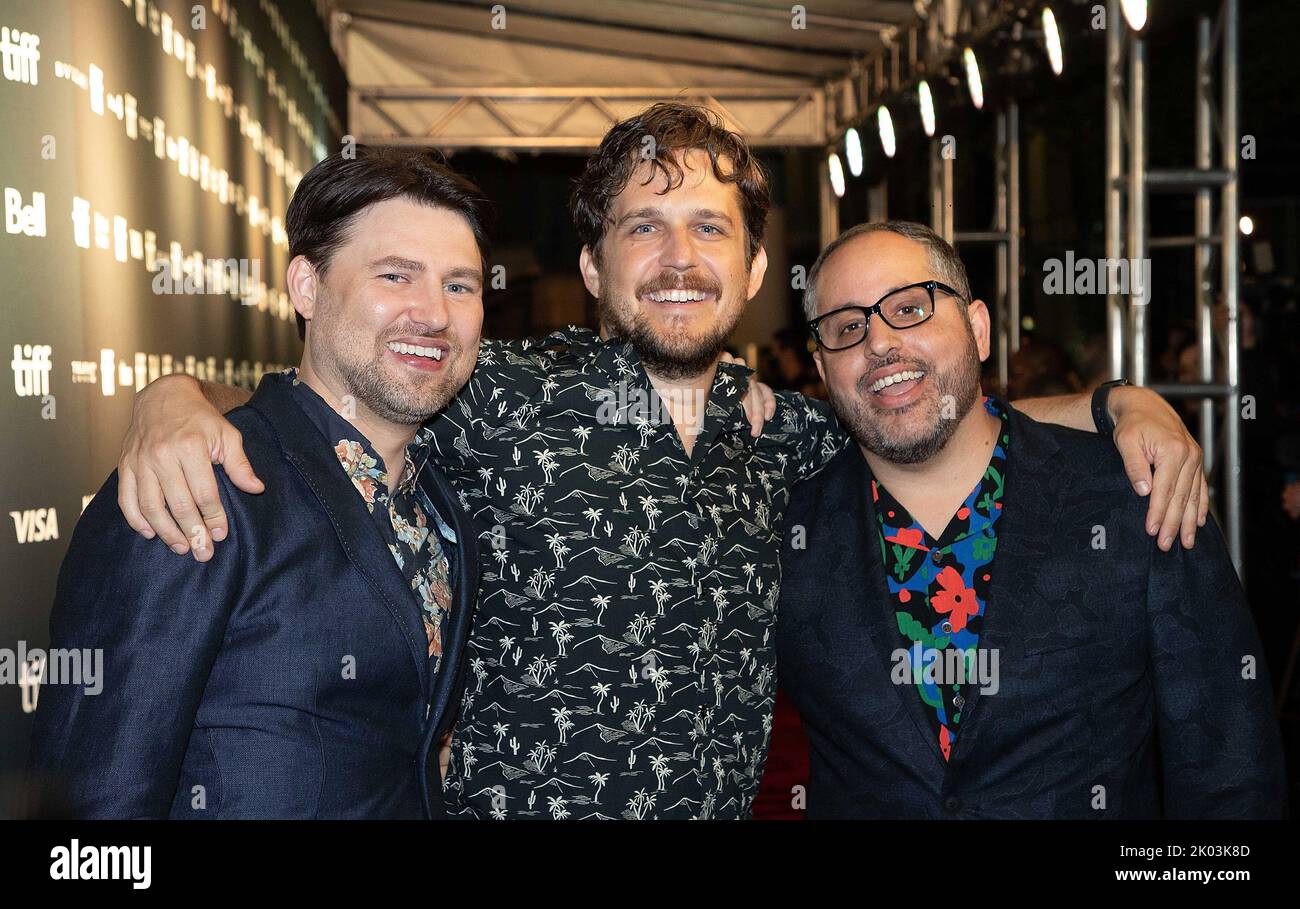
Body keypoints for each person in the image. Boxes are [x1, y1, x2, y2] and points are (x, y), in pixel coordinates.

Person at [111, 104, 1210, 819]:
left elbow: (938, 408)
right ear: (592, 265)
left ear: (755, 267)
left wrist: (1126, 403)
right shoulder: (493, 391)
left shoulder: (795, 435)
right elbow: (335, 394)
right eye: (643, 229)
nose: (678, 259)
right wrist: (171, 402)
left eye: (708, 229)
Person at [28, 147, 485, 818]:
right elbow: (91, 807)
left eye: (461, 285)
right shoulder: (195, 487)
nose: (434, 313)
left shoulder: (441, 507)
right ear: (306, 286)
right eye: (395, 275)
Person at [776, 221, 1286, 818]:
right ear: (821, 366)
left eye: (910, 308)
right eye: (848, 327)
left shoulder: (1133, 492)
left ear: (978, 329)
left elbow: (1228, 767)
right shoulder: (779, 532)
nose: (880, 342)